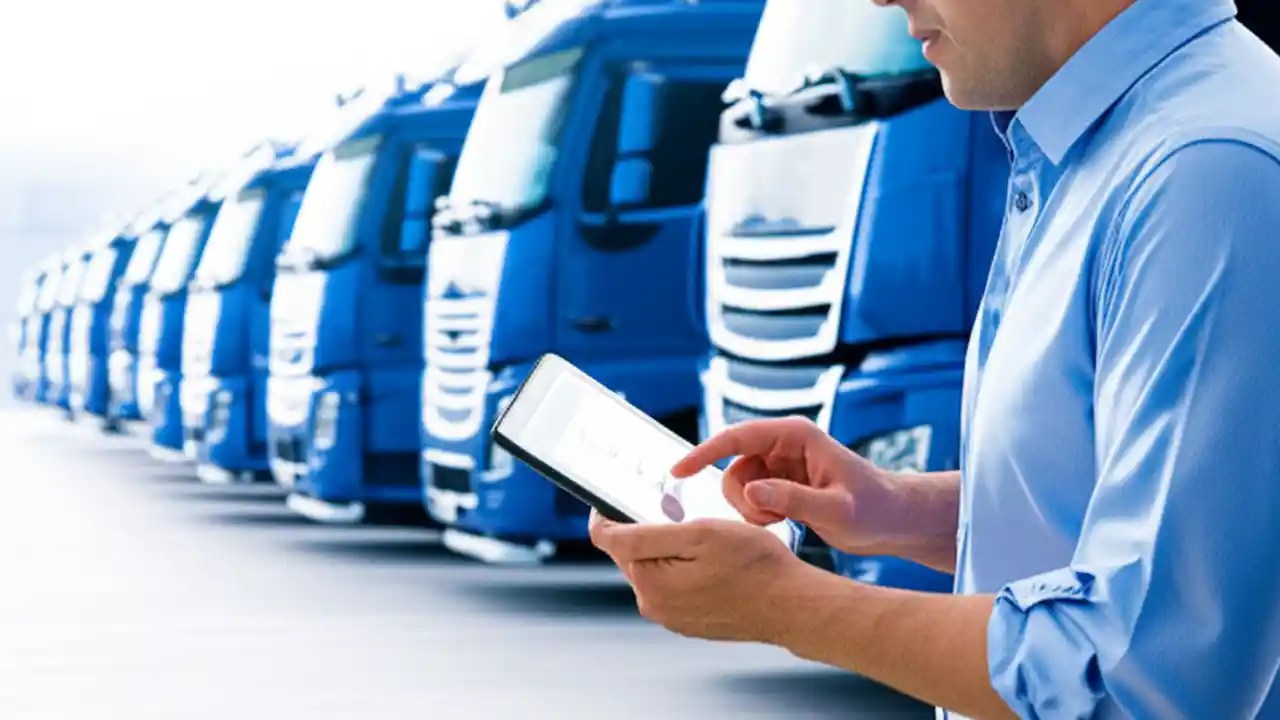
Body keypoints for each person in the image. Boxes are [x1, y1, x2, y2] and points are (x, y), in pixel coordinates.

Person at [588, 0, 1280, 717]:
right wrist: (893, 509)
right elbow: (1131, 518)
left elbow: (1138, 680)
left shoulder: (1208, 176)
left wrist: (787, 606)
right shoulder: (1106, 149)